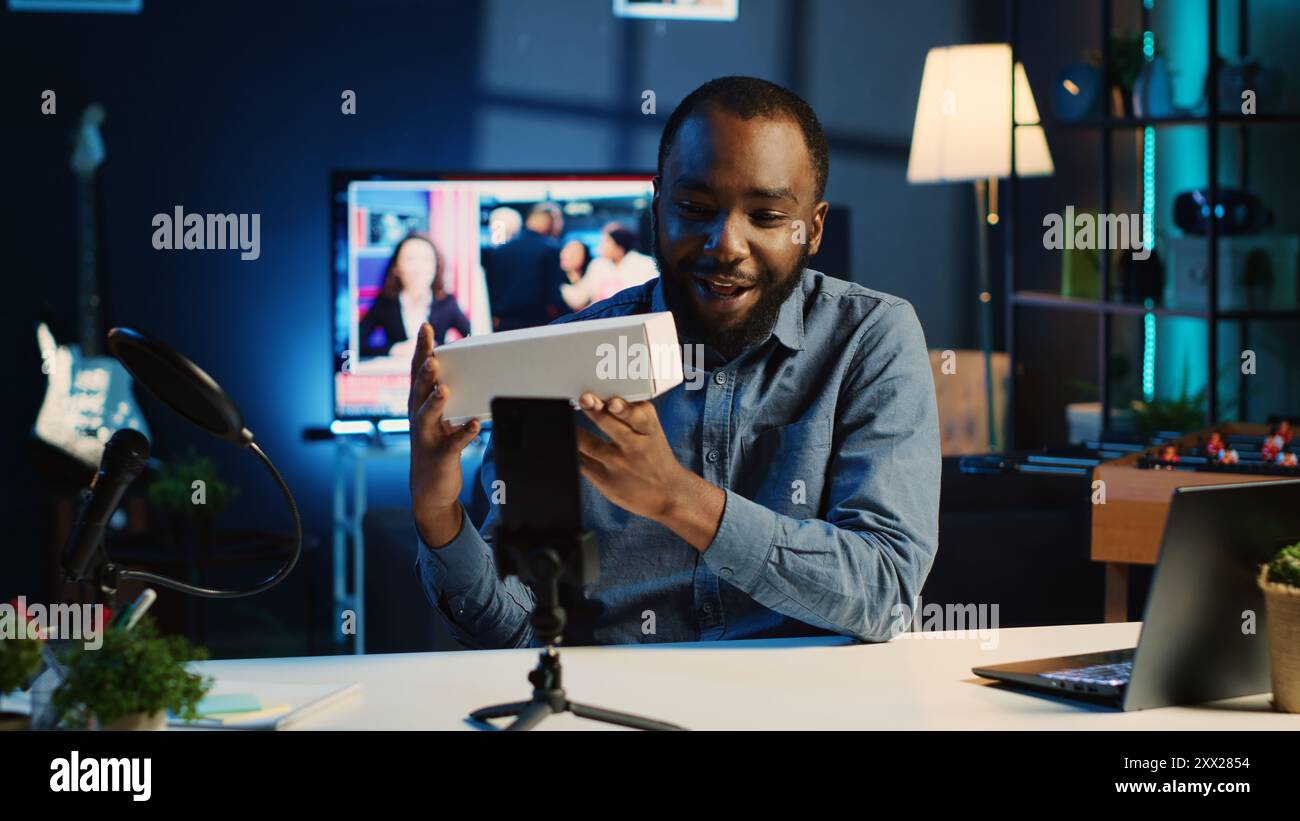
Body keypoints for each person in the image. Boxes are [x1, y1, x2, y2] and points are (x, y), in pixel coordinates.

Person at [409, 76, 940, 648]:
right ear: (658, 205)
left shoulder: (870, 338)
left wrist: (675, 497)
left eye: (765, 216)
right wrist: (437, 508)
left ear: (811, 229)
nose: (726, 245)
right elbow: (518, 632)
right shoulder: (560, 359)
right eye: (695, 208)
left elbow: (885, 594)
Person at [358, 233, 470, 358]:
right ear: (396, 267)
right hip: (397, 374)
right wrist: (394, 350)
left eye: (426, 260)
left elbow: (473, 340)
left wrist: (439, 349)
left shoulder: (446, 302)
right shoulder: (385, 303)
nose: (418, 268)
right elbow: (353, 346)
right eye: (409, 259)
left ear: (436, 266)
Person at [482, 202, 570, 331]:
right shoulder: (551, 249)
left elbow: (490, 289)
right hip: (537, 326)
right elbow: (554, 297)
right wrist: (575, 317)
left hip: (502, 327)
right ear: (550, 220)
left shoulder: (499, 252)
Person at [561, 222, 660, 310]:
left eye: (606, 241)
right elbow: (580, 298)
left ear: (619, 247)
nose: (601, 246)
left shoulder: (645, 264)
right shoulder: (598, 265)